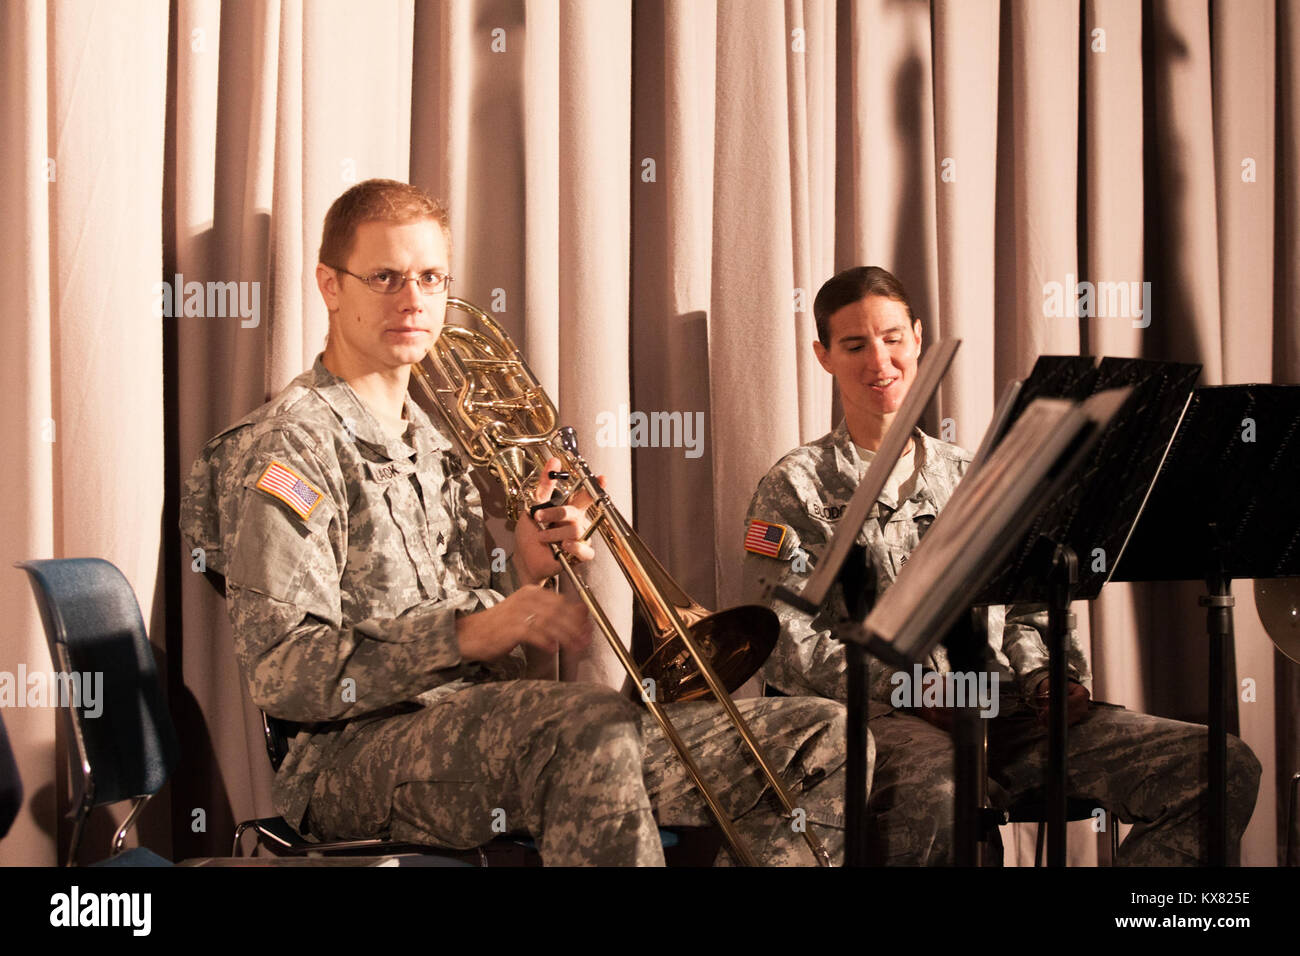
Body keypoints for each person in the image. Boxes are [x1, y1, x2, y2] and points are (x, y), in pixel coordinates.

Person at [180, 178, 849, 866]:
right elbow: (287, 673)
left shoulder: (434, 443)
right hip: (350, 757)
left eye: (431, 277)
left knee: (821, 737)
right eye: (385, 277)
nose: (413, 300)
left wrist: (529, 572)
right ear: (331, 285)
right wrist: (472, 631)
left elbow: (480, 636)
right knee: (584, 729)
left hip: (489, 729)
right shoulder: (286, 447)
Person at [742, 265, 1261, 865]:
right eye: (854, 345)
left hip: (1002, 712)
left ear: (917, 338)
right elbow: (784, 637)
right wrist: (906, 686)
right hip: (882, 722)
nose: (878, 361)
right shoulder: (796, 485)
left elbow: (1022, 607)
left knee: (1216, 766)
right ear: (823, 355)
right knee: (948, 790)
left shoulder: (976, 474)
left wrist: (1047, 677)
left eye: (891, 338)